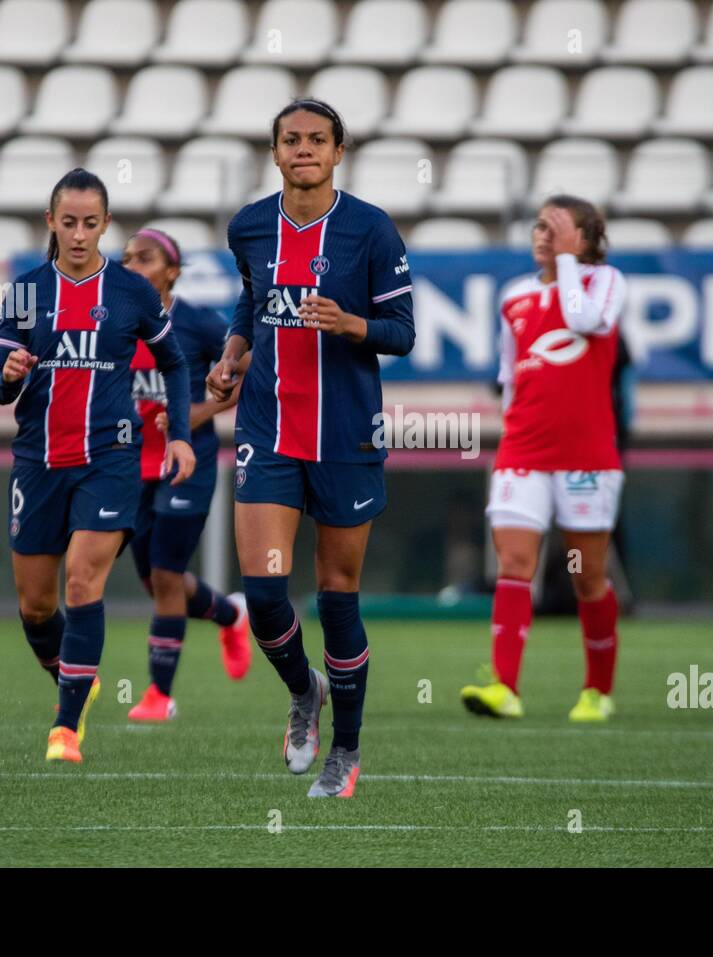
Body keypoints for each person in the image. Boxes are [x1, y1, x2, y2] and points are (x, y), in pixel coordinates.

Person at [207, 98, 414, 798]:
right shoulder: (249, 226)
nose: (303, 149)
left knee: (336, 596)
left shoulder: (371, 229)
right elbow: (250, 297)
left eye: (316, 140)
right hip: (267, 433)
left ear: (337, 151)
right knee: (265, 592)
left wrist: (352, 322)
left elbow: (403, 330)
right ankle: (305, 692)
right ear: (274, 152)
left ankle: (346, 753)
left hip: (346, 437)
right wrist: (235, 350)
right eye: (290, 139)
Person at [0, 168, 195, 763]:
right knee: (35, 605)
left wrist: (179, 436)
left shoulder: (131, 292)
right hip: (38, 461)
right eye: (68, 222)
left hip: (110, 457)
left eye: (90, 223)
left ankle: (66, 728)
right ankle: (75, 674)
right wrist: (8, 376)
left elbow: (176, 365)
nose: (79, 234)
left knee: (82, 579)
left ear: (105, 225)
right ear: (50, 222)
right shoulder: (26, 292)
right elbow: (0, 389)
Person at [460, 195, 627, 723]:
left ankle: (597, 691)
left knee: (587, 578)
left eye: (556, 227)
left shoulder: (605, 282)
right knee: (513, 563)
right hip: (524, 451)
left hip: (586, 457)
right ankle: (504, 688)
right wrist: (512, 427)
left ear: (585, 237)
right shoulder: (513, 296)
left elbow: (582, 320)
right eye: (538, 226)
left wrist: (571, 262)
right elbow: (508, 372)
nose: (542, 235)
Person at [120, 227, 252, 723]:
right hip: (130, 467)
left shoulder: (196, 323)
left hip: (186, 466)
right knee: (155, 582)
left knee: (167, 574)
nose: (131, 266)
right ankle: (230, 614)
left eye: (145, 259)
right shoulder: (111, 324)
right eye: (127, 257)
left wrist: (198, 414)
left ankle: (160, 695)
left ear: (172, 271)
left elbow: (249, 366)